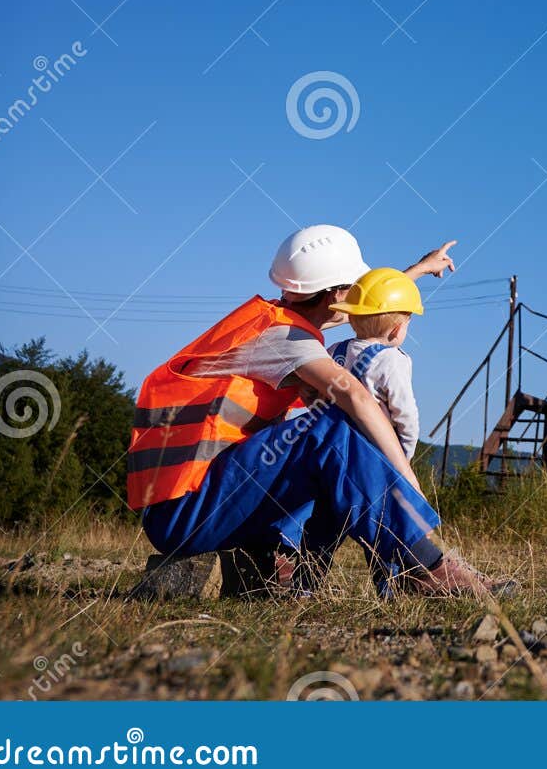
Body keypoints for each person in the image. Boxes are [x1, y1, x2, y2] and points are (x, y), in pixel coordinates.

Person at [129, 224, 504, 598]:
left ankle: (302, 562)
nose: (355, 300)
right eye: (352, 288)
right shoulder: (287, 340)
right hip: (185, 513)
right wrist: (407, 480)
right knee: (333, 427)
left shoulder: (280, 321)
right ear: (336, 294)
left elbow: (369, 313)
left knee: (325, 435)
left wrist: (418, 271)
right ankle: (424, 566)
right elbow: (356, 396)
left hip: (198, 499)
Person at [326, 268, 424, 459]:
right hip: (372, 452)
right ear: (397, 329)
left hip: (331, 446)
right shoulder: (393, 360)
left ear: (351, 318)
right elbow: (405, 414)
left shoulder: (334, 351)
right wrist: (404, 457)